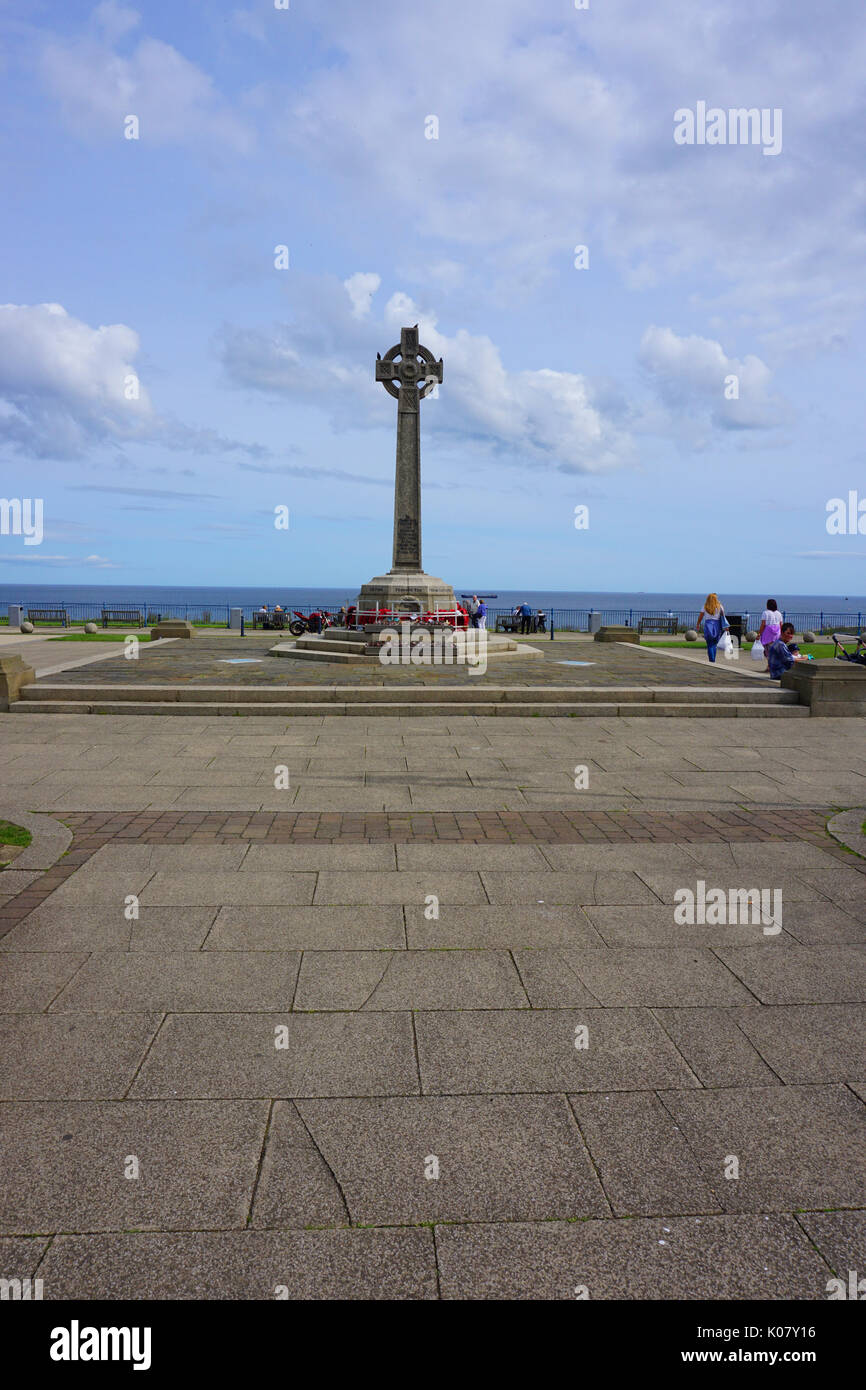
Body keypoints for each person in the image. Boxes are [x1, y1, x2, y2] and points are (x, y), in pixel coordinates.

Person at [696, 592, 727, 663]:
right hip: (717, 625)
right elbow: (723, 617)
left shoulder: (705, 606)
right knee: (714, 644)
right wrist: (725, 626)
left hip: (708, 625)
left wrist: (698, 624)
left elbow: (701, 616)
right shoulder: (720, 606)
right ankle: (713, 660)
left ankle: (711, 660)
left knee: (709, 644)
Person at [758, 600, 782, 671]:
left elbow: (763, 624)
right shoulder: (779, 613)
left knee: (766, 649)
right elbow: (781, 624)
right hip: (777, 631)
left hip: (768, 632)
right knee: (774, 649)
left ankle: (770, 665)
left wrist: (759, 633)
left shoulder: (765, 613)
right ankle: (771, 665)